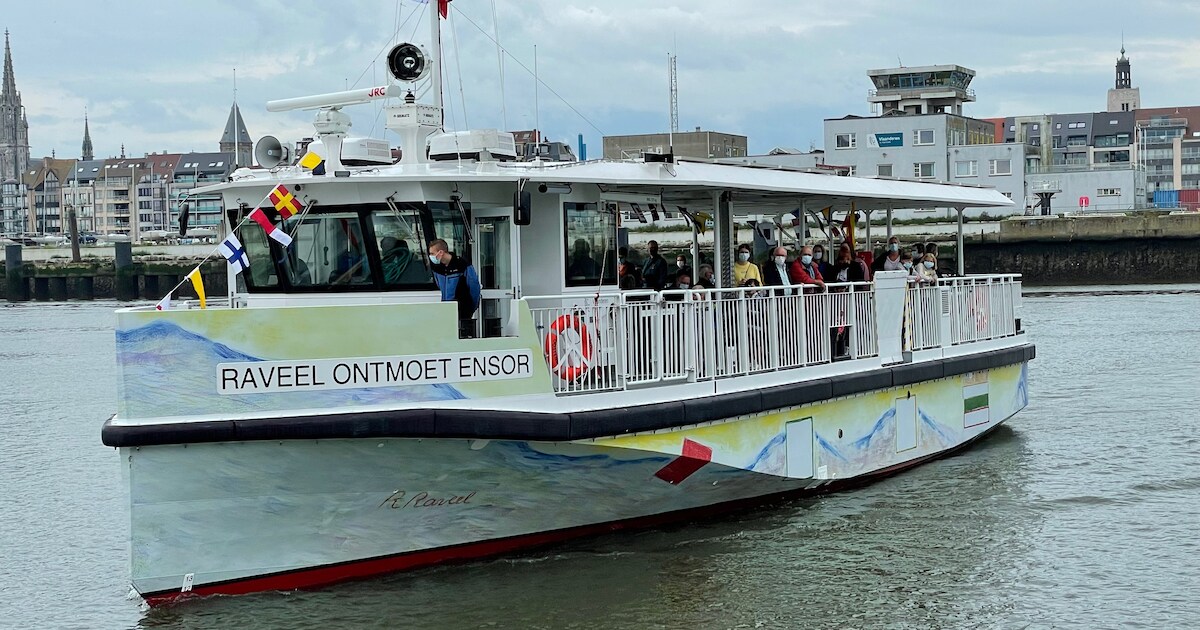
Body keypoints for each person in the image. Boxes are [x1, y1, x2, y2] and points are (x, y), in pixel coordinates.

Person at [428, 238, 481, 338]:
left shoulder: (462, 264)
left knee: (464, 337)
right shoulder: (436, 267)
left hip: (464, 310)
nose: (430, 256)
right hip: (446, 309)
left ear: (441, 252)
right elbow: (440, 286)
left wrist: (472, 307)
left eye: (432, 253)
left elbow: (474, 287)